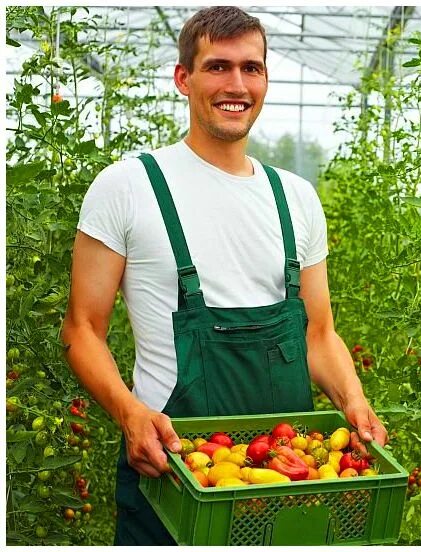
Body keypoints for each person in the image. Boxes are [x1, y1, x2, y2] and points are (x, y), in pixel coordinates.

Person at [61, 6, 386, 545]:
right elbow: (81, 329)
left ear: (264, 80)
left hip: (288, 478)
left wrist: (352, 399)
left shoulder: (296, 199)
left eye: (251, 68)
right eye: (218, 66)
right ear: (183, 78)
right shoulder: (128, 187)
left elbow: (318, 333)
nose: (236, 84)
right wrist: (129, 413)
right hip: (175, 475)